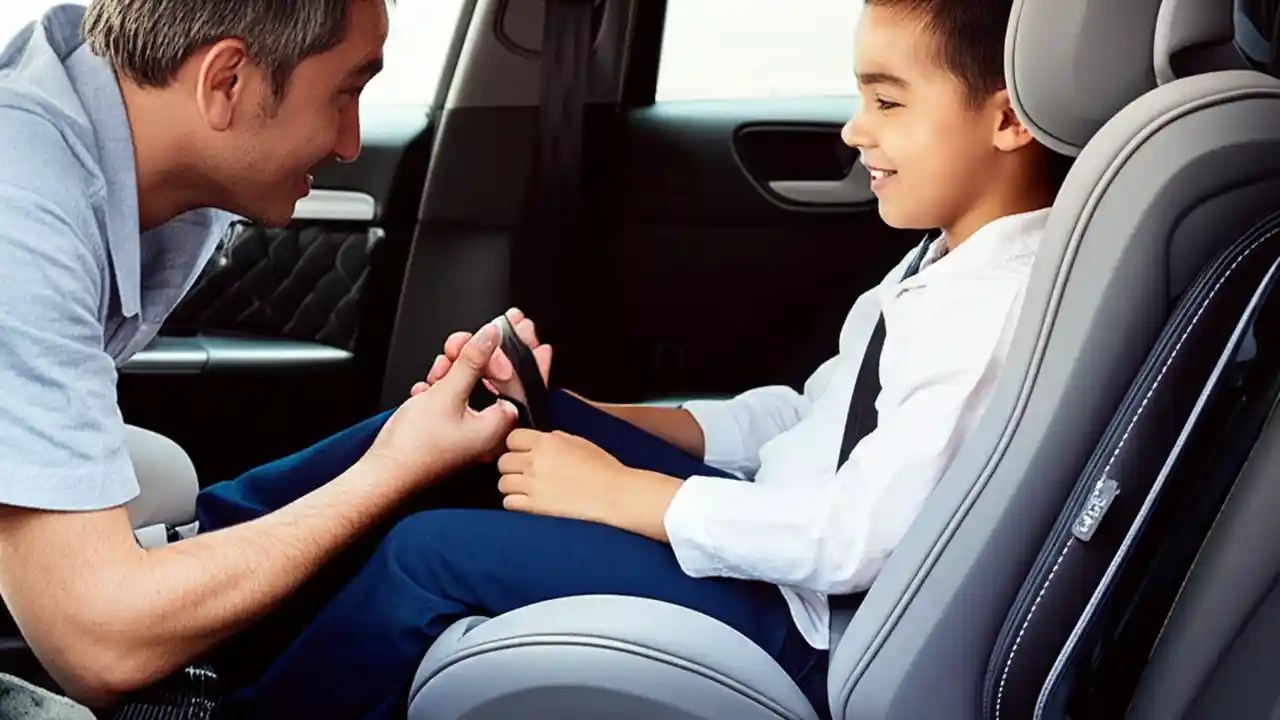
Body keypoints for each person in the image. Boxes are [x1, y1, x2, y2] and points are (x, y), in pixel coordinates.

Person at [196, 0, 1067, 717]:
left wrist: (622, 493)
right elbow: (806, 417)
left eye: (887, 101)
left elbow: (854, 540)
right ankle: (208, 554)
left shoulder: (993, 306)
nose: (851, 129)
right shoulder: (944, 263)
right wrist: (589, 417)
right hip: (773, 537)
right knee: (483, 422)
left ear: (1007, 118)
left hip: (809, 622)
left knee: (429, 556)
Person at [0, 0, 522, 712]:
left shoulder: (136, 123)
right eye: (345, 92)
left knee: (173, 486)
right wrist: (393, 473)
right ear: (227, 82)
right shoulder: (21, 212)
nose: (350, 142)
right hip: (94, 633)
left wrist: (406, 444)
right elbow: (103, 643)